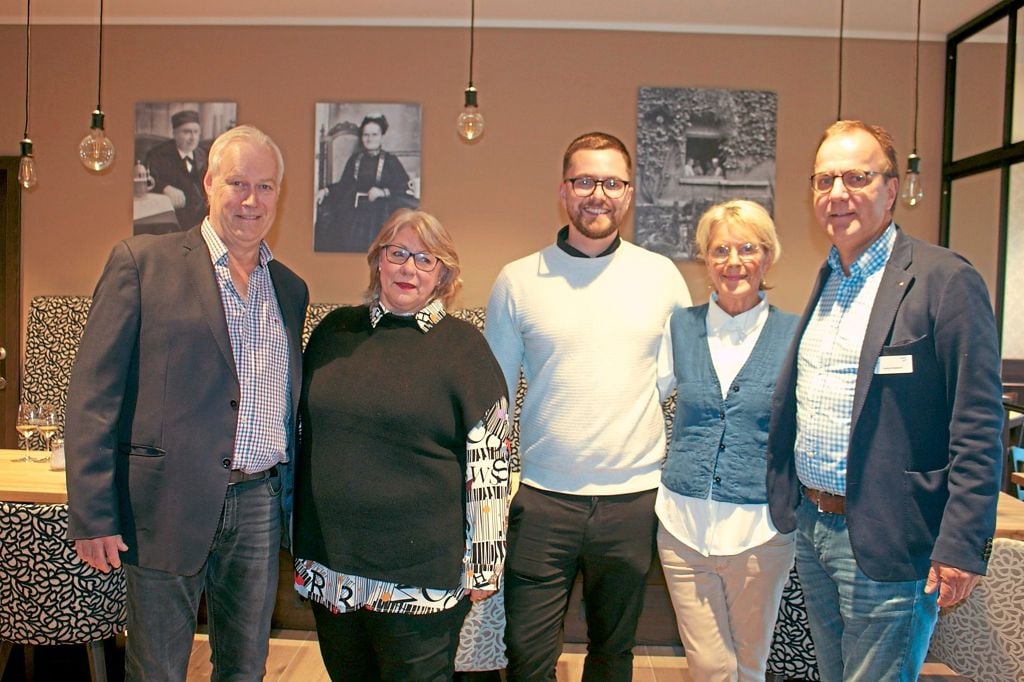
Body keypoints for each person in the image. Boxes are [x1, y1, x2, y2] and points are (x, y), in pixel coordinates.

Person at [65, 124, 309, 681]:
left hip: (258, 505)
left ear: (280, 194)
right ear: (208, 184)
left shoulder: (289, 288)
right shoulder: (142, 263)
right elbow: (93, 397)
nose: (252, 200)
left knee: (245, 667)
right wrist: (93, 514)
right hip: (164, 505)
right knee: (157, 670)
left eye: (266, 187)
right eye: (238, 183)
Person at [766, 120, 1004, 681]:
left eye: (857, 177)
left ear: (891, 190)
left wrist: (962, 544)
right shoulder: (829, 281)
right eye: (825, 180)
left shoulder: (944, 280)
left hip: (891, 536)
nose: (838, 193)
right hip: (815, 529)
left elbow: (977, 422)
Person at [485, 131, 692, 681]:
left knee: (613, 653)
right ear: (563, 190)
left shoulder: (662, 277)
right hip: (541, 501)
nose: (597, 193)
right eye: (584, 180)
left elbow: (672, 380)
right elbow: (495, 397)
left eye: (611, 182)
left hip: (631, 501)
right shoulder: (518, 280)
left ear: (628, 192)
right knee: (527, 659)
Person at [293, 209, 511, 681]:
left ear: (443, 274)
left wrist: (485, 565)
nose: (409, 268)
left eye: (426, 259)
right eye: (398, 254)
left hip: (419, 580)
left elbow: (491, 458)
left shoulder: (463, 347)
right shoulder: (333, 333)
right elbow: (302, 436)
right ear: (378, 260)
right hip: (332, 570)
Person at [656, 200, 796, 682]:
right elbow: (640, 400)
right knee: (710, 667)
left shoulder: (795, 333)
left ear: (768, 257)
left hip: (761, 530)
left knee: (750, 666)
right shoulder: (679, 327)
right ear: (705, 259)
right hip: (681, 526)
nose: (733, 262)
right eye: (720, 250)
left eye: (747, 248)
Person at [314, 114, 417, 252]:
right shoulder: (355, 159)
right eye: (366, 135)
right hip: (356, 210)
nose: (370, 139)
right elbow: (344, 185)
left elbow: (403, 187)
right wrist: (325, 190)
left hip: (381, 212)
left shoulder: (390, 161)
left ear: (381, 136)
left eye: (374, 134)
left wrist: (382, 192)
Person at [144, 109, 209, 230]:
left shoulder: (204, 155)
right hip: (171, 220)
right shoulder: (158, 154)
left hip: (201, 220)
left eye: (196, 132)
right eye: (187, 132)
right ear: (174, 134)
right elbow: (147, 180)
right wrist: (165, 187)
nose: (192, 137)